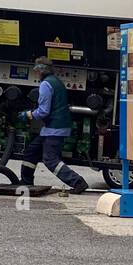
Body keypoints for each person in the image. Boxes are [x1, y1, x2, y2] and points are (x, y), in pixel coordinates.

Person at [19, 57, 90, 193]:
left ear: (40, 71)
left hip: (54, 128)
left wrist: (28, 115)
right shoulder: (56, 81)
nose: (35, 73)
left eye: (36, 70)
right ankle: (26, 181)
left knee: (50, 159)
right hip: (55, 127)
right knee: (31, 152)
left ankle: (78, 182)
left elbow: (44, 111)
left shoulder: (46, 84)